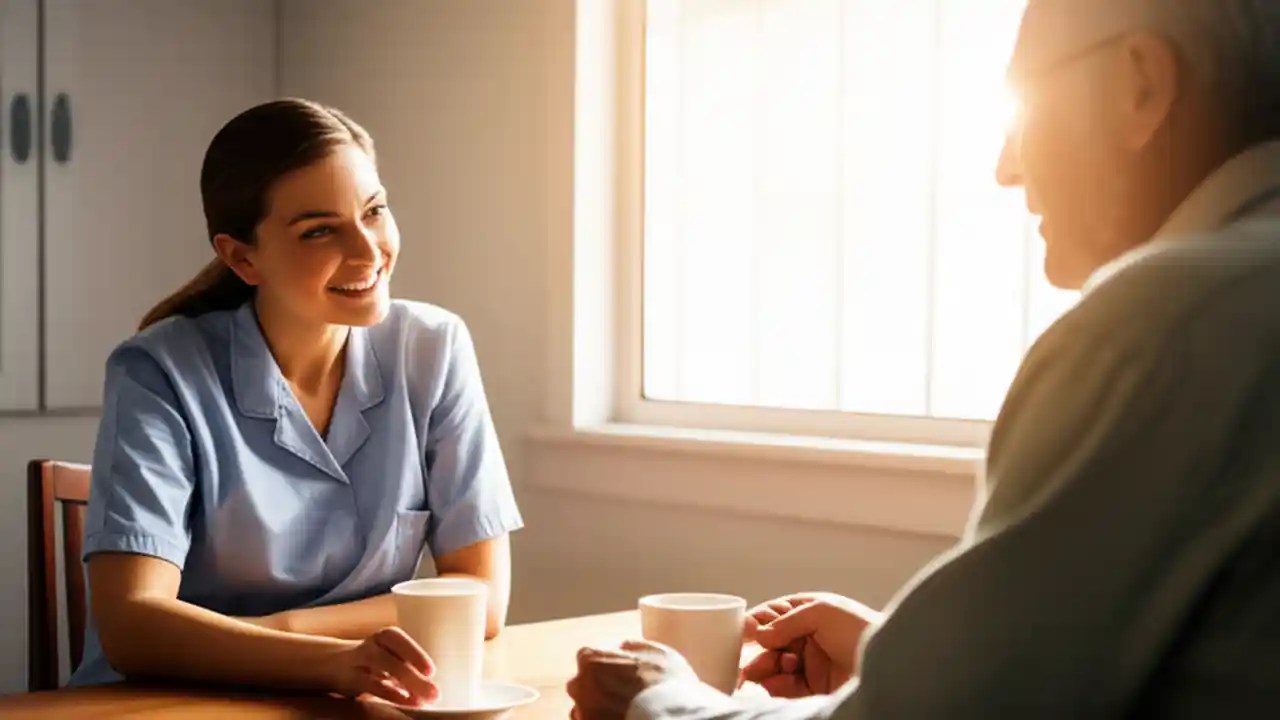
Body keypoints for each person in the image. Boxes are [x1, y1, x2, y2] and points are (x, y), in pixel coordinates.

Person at [569, 0, 1280, 716]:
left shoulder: (1162, 323)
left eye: (1021, 109)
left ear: (1141, 85)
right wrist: (904, 655)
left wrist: (667, 702)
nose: (1006, 168)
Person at [68, 98, 524, 708]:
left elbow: (480, 599)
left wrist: (283, 639)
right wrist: (331, 661)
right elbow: (132, 626)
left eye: (374, 211)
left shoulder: (433, 349)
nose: (368, 251)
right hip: (163, 704)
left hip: (349, 697)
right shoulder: (159, 370)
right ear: (242, 257)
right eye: (320, 230)